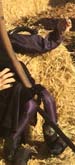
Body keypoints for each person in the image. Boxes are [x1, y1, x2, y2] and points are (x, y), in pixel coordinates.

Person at [0, 19, 71, 163]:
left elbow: (38, 44)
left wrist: (58, 33)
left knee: (45, 95)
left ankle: (52, 134)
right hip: (4, 92)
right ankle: (11, 145)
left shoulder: (6, 39)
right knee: (29, 103)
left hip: (21, 80)